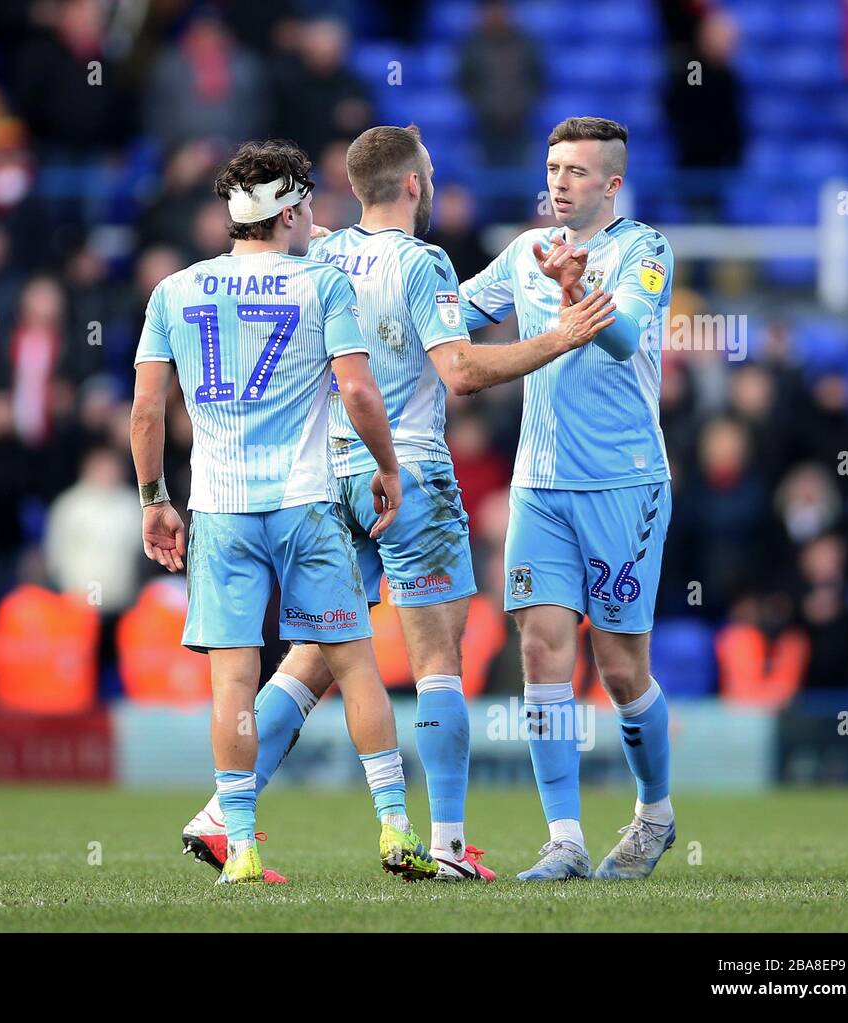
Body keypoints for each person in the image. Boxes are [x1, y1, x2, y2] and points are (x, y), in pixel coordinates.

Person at [178, 124, 617, 881]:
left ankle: (222, 811)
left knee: (320, 654)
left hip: (320, 476)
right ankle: (446, 844)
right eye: (432, 173)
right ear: (413, 184)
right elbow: (460, 371)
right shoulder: (422, 261)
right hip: (403, 466)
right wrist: (560, 336)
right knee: (436, 657)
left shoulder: (316, 254)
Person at [130, 138, 435, 884]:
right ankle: (395, 828)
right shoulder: (321, 286)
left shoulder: (175, 289)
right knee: (356, 667)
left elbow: (144, 412)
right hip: (305, 503)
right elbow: (359, 392)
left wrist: (154, 501)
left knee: (234, 682)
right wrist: (389, 467)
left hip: (220, 509)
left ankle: (240, 846)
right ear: (294, 211)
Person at [460, 116, 677, 881]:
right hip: (539, 486)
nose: (560, 181)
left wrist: (576, 286)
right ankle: (566, 838)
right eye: (553, 167)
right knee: (540, 649)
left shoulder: (645, 250)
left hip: (625, 486)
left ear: (612, 184)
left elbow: (622, 339)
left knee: (619, 670)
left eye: (578, 171)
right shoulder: (524, 252)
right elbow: (451, 314)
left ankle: (655, 813)